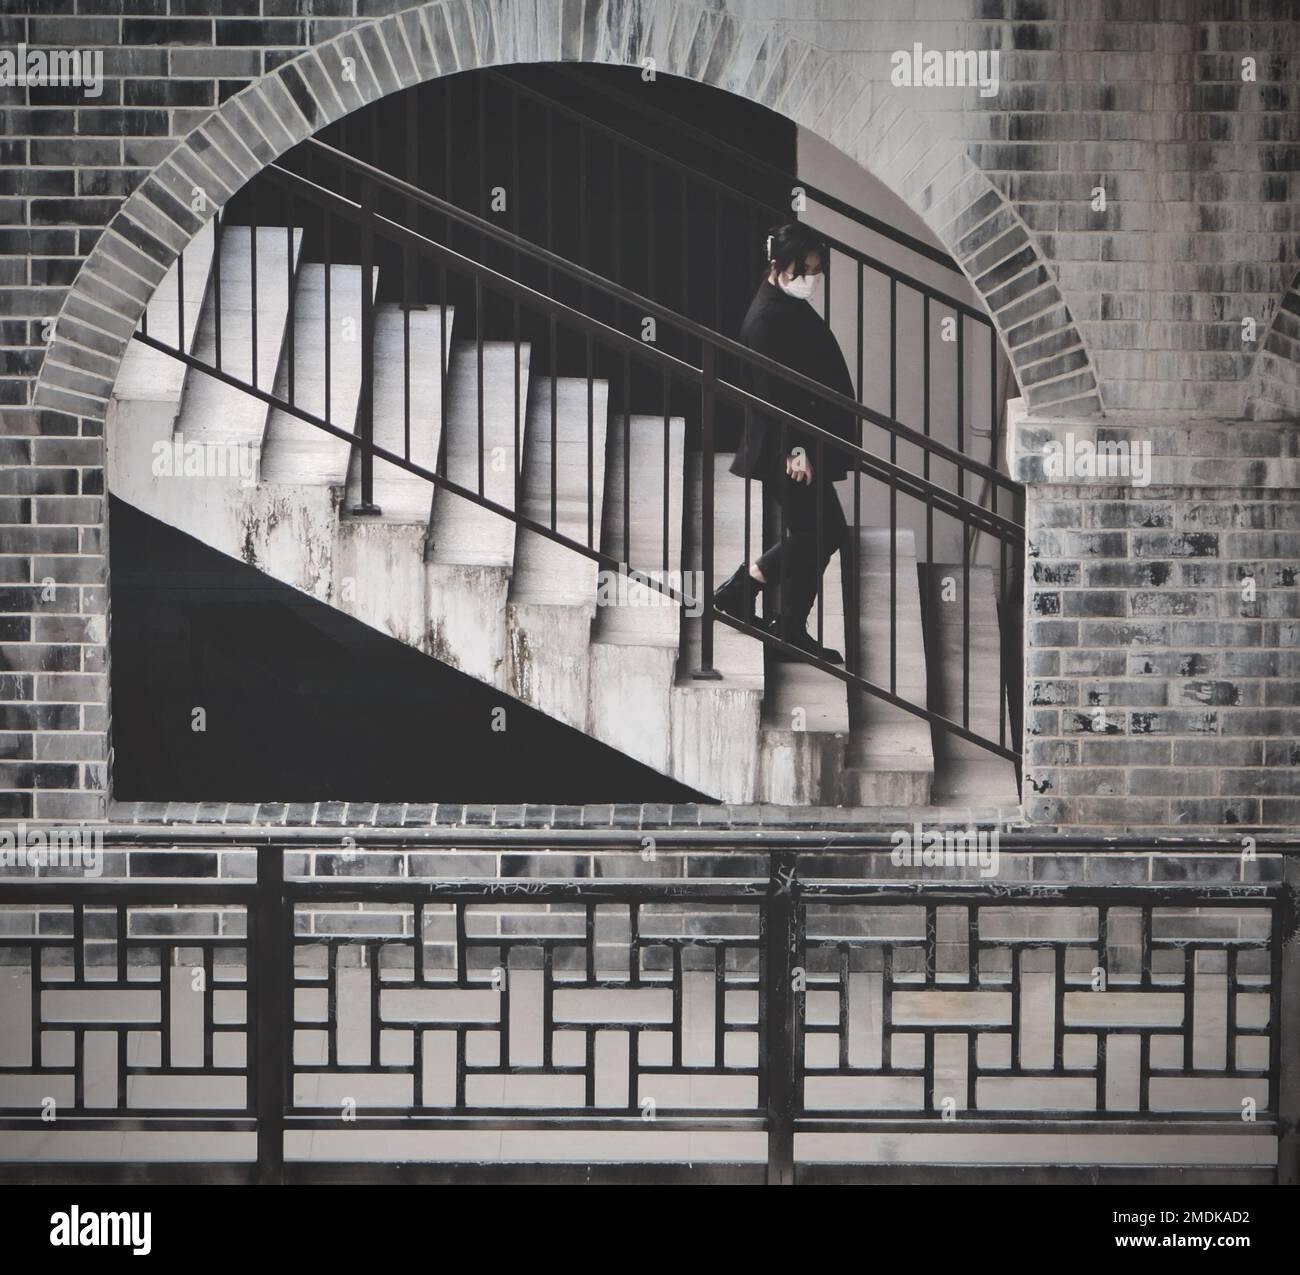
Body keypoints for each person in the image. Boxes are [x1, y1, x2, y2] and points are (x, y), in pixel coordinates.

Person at [713, 223, 857, 663]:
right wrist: (796, 449)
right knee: (822, 531)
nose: (810, 279)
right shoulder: (767, 319)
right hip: (786, 452)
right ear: (777, 266)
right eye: (803, 269)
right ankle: (743, 589)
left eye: (816, 270)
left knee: (817, 534)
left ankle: (788, 626)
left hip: (799, 447)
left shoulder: (782, 303)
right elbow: (772, 395)